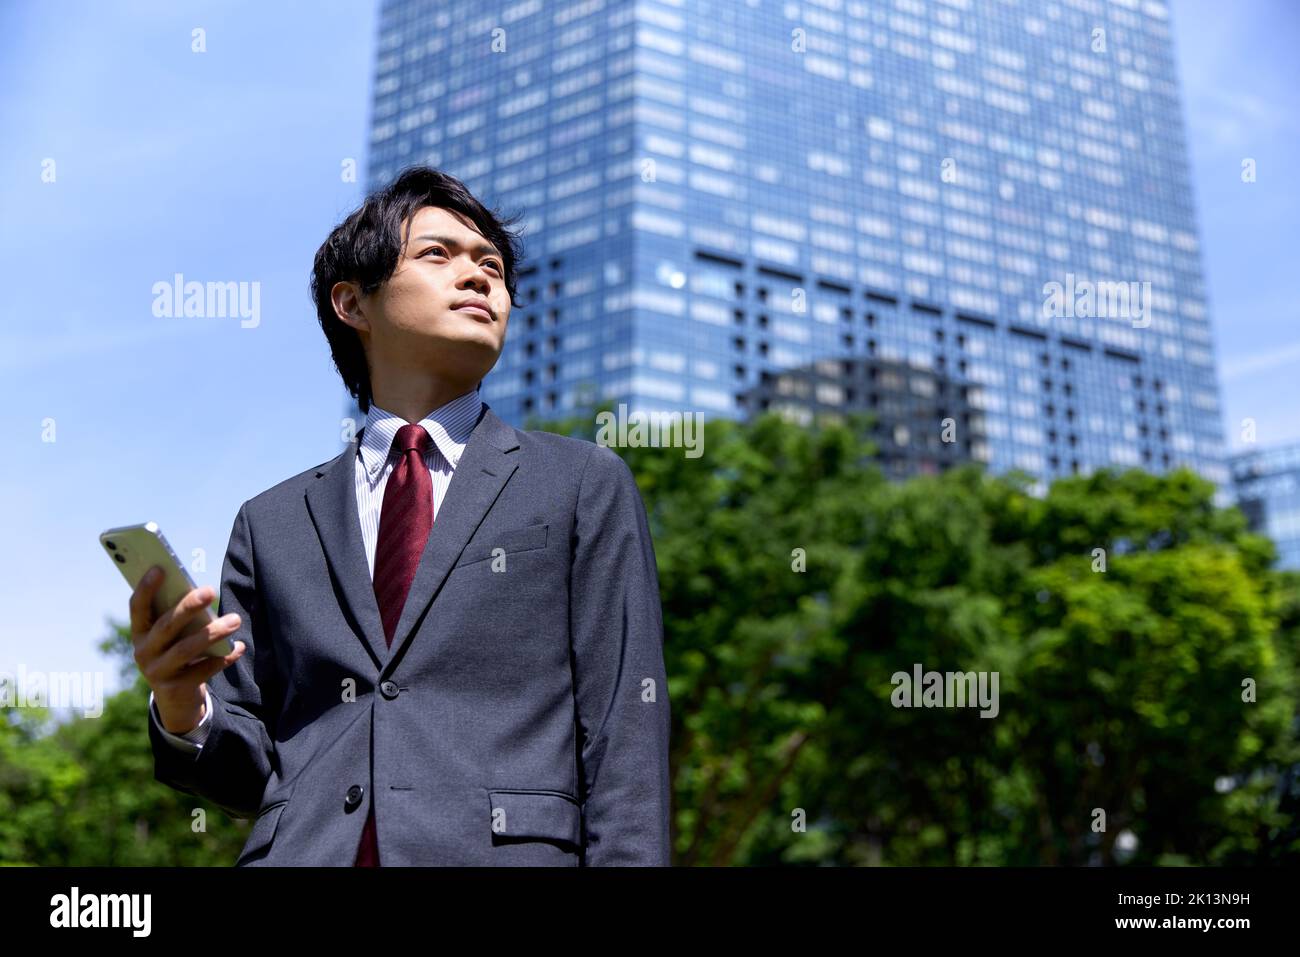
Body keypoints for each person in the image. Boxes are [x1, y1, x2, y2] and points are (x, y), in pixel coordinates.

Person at [129, 166, 671, 866]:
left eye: (493, 267)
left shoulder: (580, 483)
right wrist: (181, 702)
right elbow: (248, 773)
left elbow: (626, 732)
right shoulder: (271, 521)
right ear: (352, 302)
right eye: (438, 254)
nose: (479, 278)